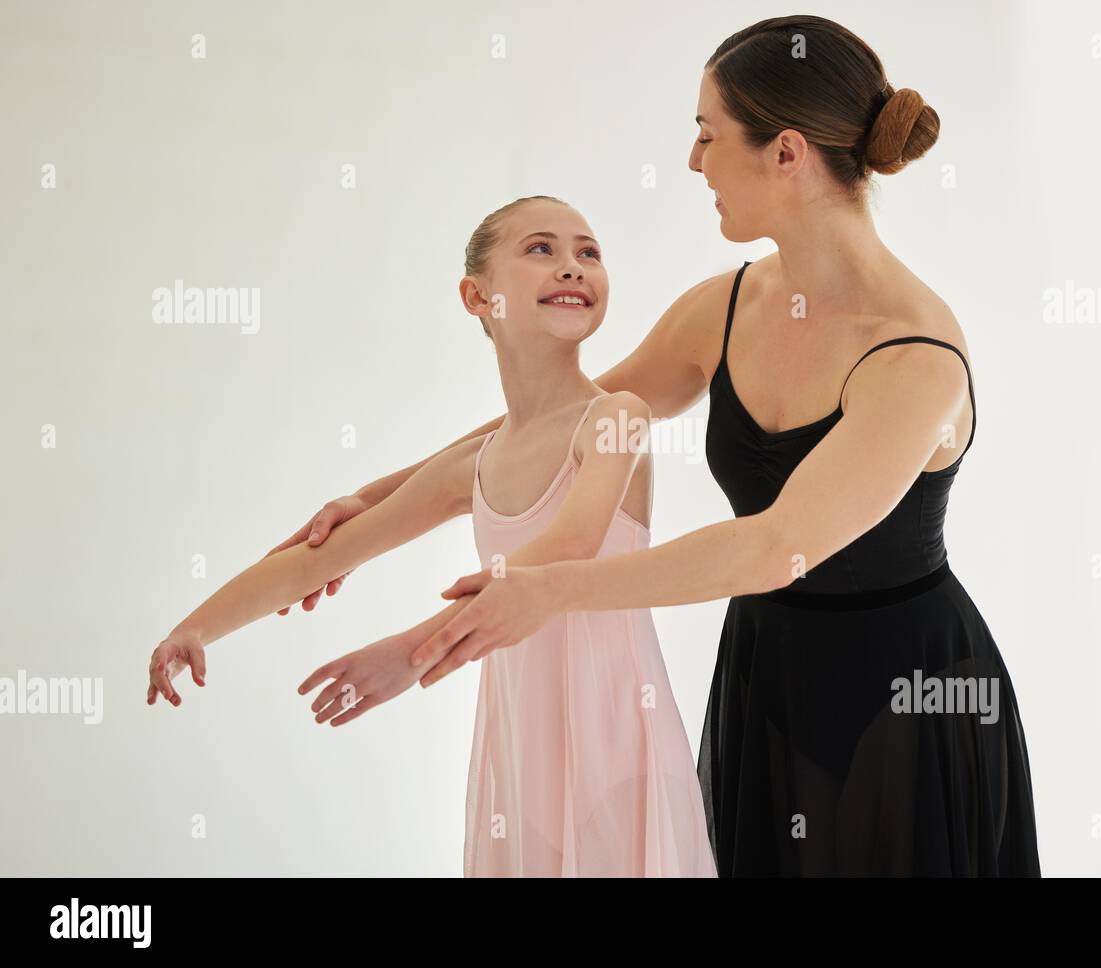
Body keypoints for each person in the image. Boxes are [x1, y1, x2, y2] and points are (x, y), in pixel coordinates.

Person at [280, 15, 1041, 876]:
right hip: (767, 676)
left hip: (905, 704)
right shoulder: (723, 307)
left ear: (786, 153)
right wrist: (382, 496)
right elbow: (568, 421)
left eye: (707, 134)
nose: (693, 161)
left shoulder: (915, 357)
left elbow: (773, 546)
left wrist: (551, 588)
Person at [149, 195, 716, 877]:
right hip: (518, 756)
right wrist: (196, 628)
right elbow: (315, 560)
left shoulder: (615, 418)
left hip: (615, 743)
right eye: (541, 249)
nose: (572, 267)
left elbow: (566, 549)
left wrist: (412, 653)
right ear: (477, 296)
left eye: (588, 252)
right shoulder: (475, 465)